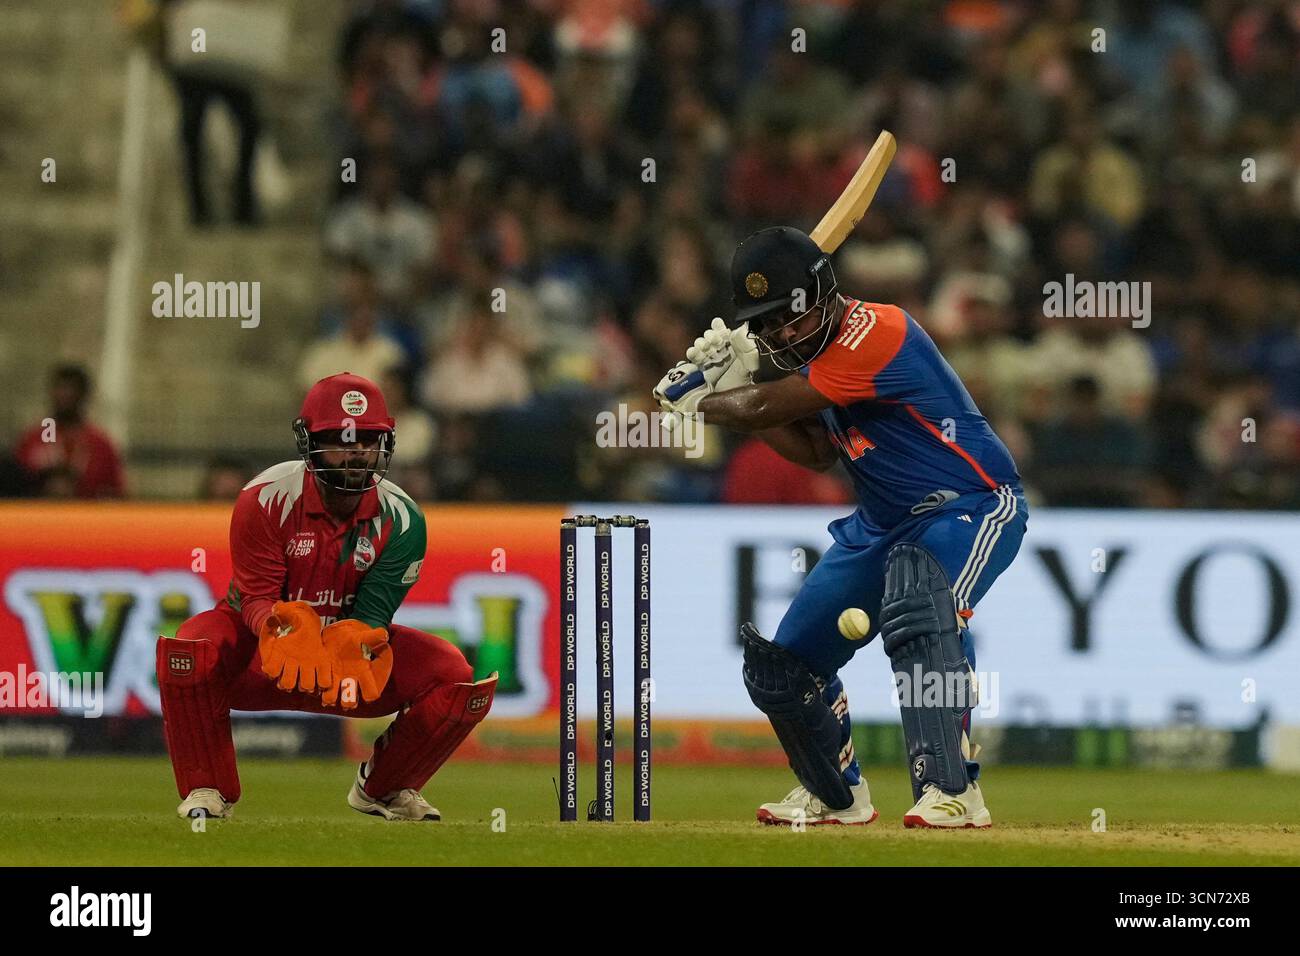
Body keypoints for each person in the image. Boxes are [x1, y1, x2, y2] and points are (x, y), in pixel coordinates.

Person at [654, 227, 1027, 828]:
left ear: (822, 295)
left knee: (922, 606)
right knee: (785, 667)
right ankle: (836, 795)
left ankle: (953, 792)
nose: (779, 334)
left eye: (788, 319)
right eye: (767, 324)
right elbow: (814, 453)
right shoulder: (817, 358)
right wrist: (731, 387)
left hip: (971, 503)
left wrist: (704, 400)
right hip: (881, 524)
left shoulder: (878, 332)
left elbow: (765, 408)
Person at [156, 372, 495, 821]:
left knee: (454, 675)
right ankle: (207, 789)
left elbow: (373, 617)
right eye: (341, 438)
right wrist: (281, 628)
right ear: (309, 442)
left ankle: (385, 789)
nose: (357, 450)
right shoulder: (265, 498)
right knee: (190, 646)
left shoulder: (404, 518)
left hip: (344, 665)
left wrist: (357, 640)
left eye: (368, 439)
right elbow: (254, 598)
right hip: (261, 656)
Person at [14, 365, 125, 499]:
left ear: (83, 395)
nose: (64, 396)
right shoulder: (32, 439)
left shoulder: (100, 445)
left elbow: (117, 494)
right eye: (60, 389)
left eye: (71, 390)